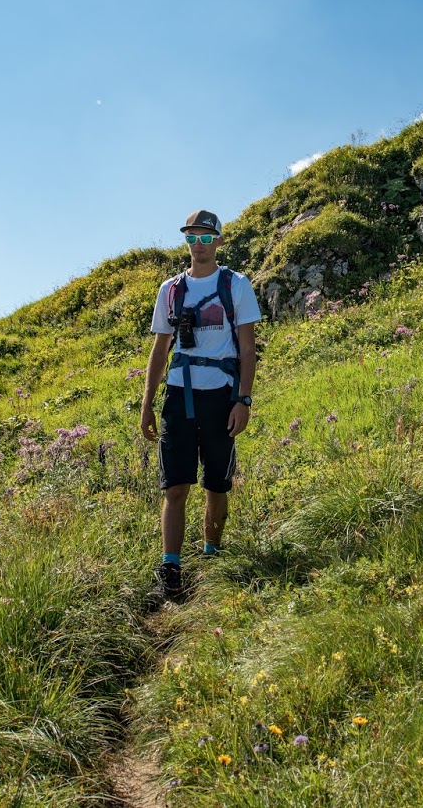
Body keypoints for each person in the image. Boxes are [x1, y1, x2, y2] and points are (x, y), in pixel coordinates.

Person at [141, 209, 262, 603]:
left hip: (220, 397)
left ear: (219, 242)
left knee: (216, 484)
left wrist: (243, 400)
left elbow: (247, 347)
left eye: (207, 238)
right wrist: (147, 404)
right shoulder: (170, 290)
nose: (200, 244)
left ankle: (211, 557)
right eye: (193, 237)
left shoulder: (237, 285)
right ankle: (170, 567)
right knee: (174, 486)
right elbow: (159, 350)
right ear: (187, 241)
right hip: (178, 395)